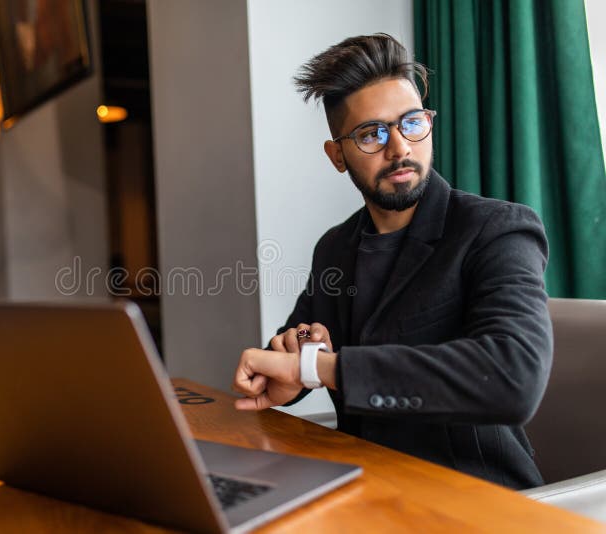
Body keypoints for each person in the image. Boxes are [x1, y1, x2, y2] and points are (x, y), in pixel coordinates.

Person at [232, 33, 552, 490]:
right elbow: (295, 349)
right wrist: (289, 368)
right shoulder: (334, 248)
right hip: (366, 489)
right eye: (372, 134)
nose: (399, 147)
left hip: (479, 498)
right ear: (337, 155)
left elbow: (513, 377)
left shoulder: (497, 229)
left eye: (412, 123)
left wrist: (318, 368)